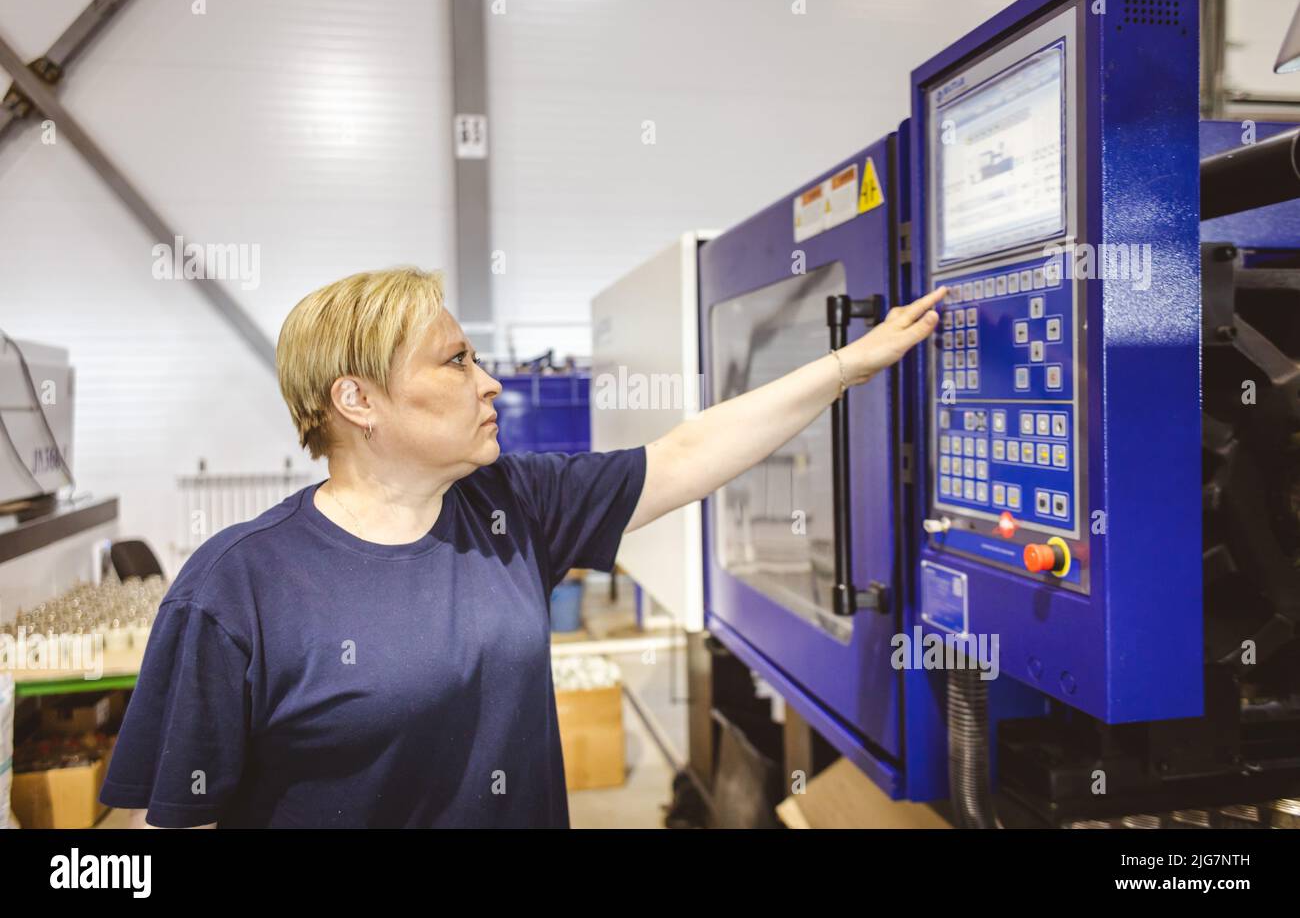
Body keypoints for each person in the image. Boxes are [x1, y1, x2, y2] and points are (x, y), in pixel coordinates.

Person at [99, 266, 944, 827]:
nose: (490, 381)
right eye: (456, 362)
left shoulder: (510, 505)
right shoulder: (236, 587)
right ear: (357, 399)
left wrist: (848, 366)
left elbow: (687, 455)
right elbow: (175, 822)